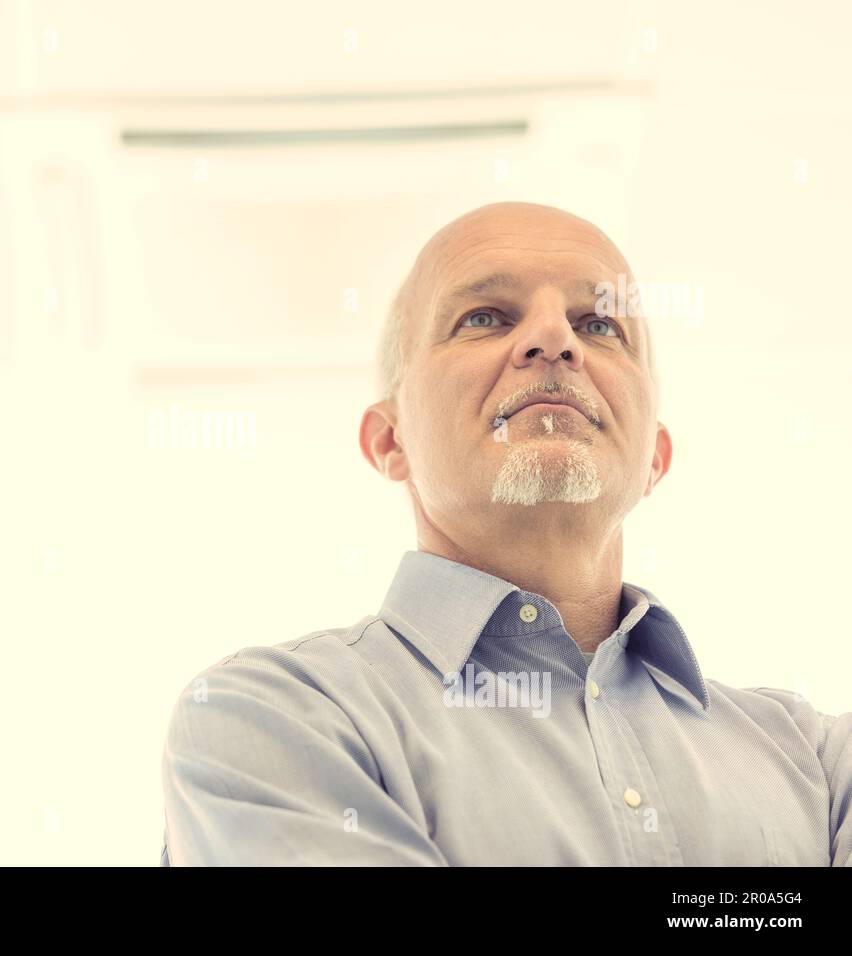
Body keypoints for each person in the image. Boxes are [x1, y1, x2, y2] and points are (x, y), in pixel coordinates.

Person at [158, 201, 851, 866]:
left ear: (654, 459)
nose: (556, 339)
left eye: (600, 324)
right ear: (389, 438)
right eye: (483, 317)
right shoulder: (273, 721)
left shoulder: (822, 760)